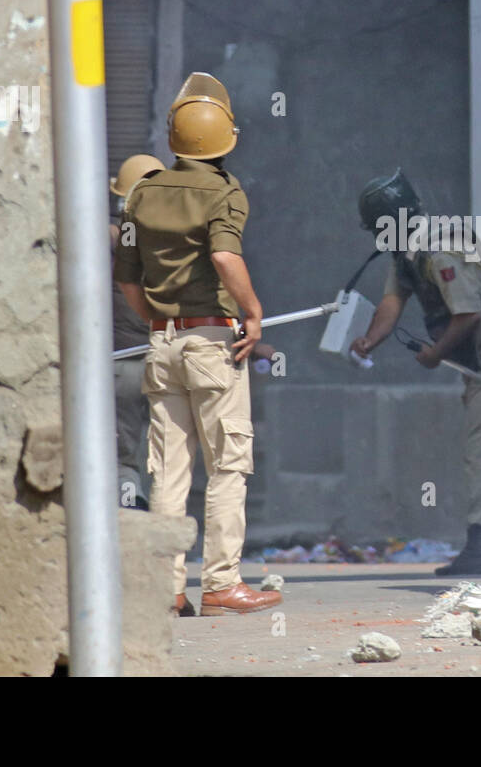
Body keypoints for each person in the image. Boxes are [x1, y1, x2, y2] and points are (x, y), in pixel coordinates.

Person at [114, 72, 281, 617]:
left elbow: (129, 281)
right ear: (226, 137)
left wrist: (159, 324)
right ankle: (220, 585)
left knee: (168, 472)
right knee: (228, 466)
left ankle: (167, 591)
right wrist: (253, 315)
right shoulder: (224, 192)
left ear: (175, 138)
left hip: (161, 347)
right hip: (213, 342)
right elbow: (225, 257)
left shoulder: (143, 192)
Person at [349, 169, 481, 575]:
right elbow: (392, 301)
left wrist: (436, 353)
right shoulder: (408, 249)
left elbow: (467, 313)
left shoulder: (441, 246)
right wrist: (369, 340)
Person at [110, 154, 166, 511]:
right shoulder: (180, 244)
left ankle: (132, 503)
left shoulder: (108, 240)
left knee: (123, 455)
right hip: (167, 364)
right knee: (166, 454)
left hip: (122, 367)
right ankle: (163, 516)